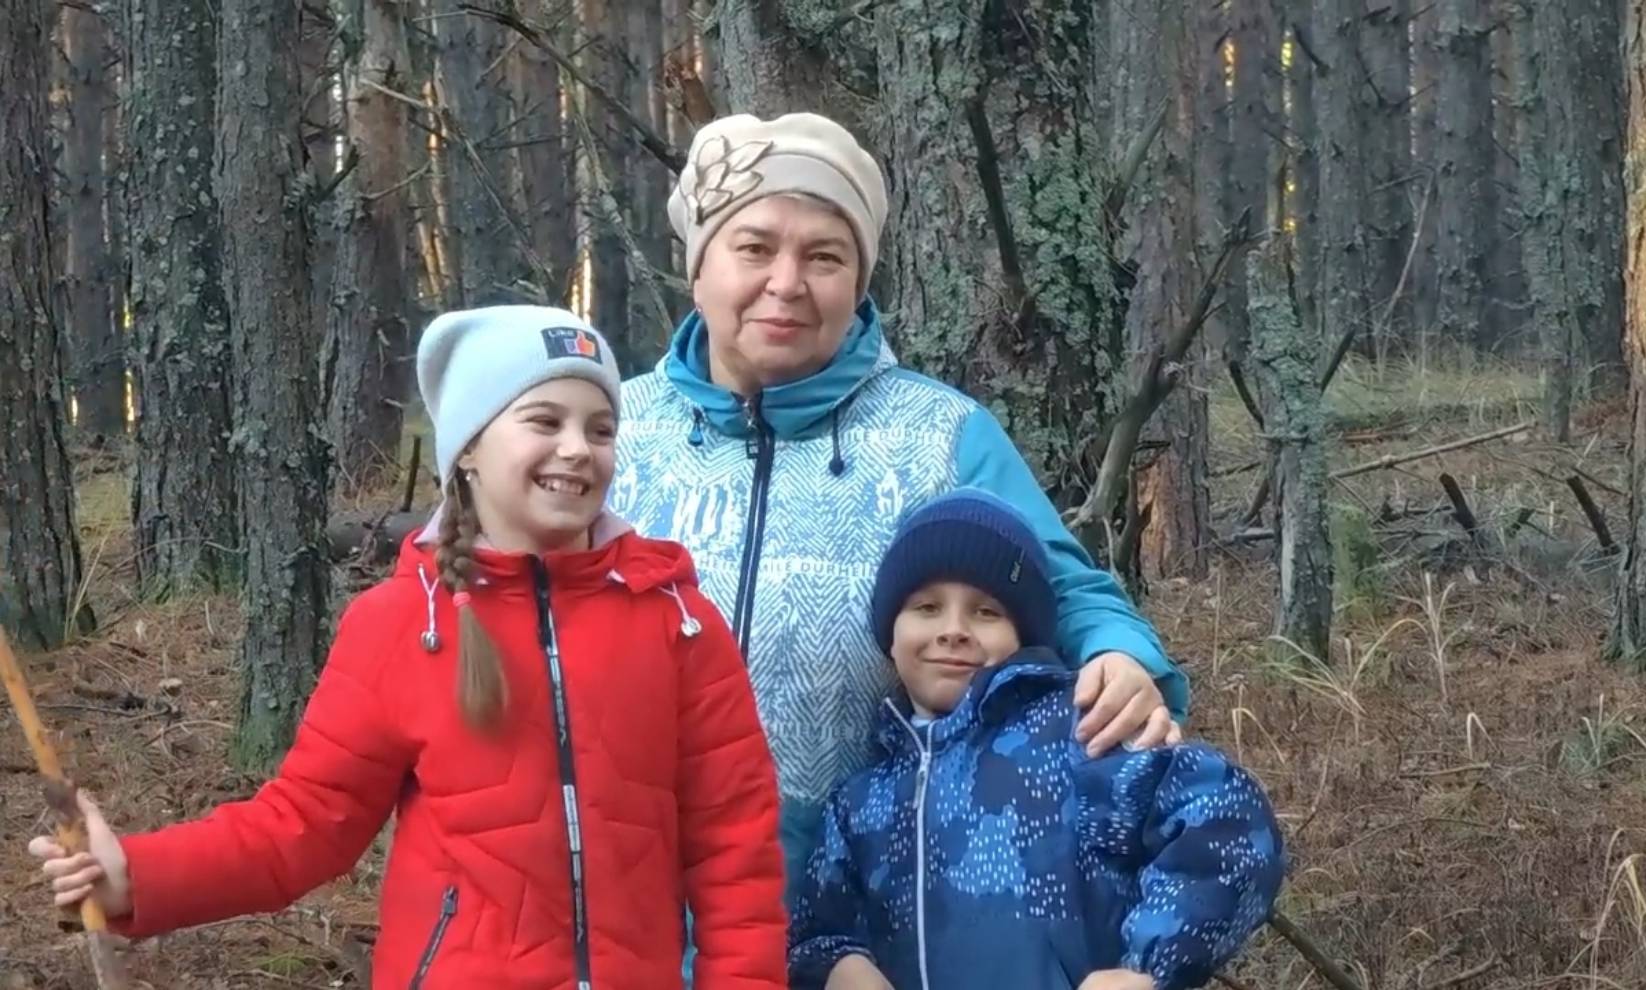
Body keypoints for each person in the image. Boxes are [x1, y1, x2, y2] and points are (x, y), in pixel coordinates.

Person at [28, 307, 788, 989]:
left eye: (600, 429)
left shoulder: (677, 620)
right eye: (544, 420)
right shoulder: (399, 624)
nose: (577, 449)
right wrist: (138, 877)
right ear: (468, 449)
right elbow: (301, 827)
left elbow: (736, 855)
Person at [610, 111, 1192, 897]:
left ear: (858, 281)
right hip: (620, 897)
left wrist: (1120, 658)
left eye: (825, 256)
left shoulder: (940, 436)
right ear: (698, 268)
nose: (787, 283)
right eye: (754, 248)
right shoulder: (609, 429)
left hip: (866, 896)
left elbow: (1072, 593)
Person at [787, 490, 1283, 990]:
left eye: (986, 612)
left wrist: (1148, 966)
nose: (954, 630)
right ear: (889, 634)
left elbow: (1229, 821)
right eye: (927, 607)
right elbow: (818, 931)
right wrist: (841, 965)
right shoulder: (860, 800)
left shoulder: (1079, 734)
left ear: (1024, 635)